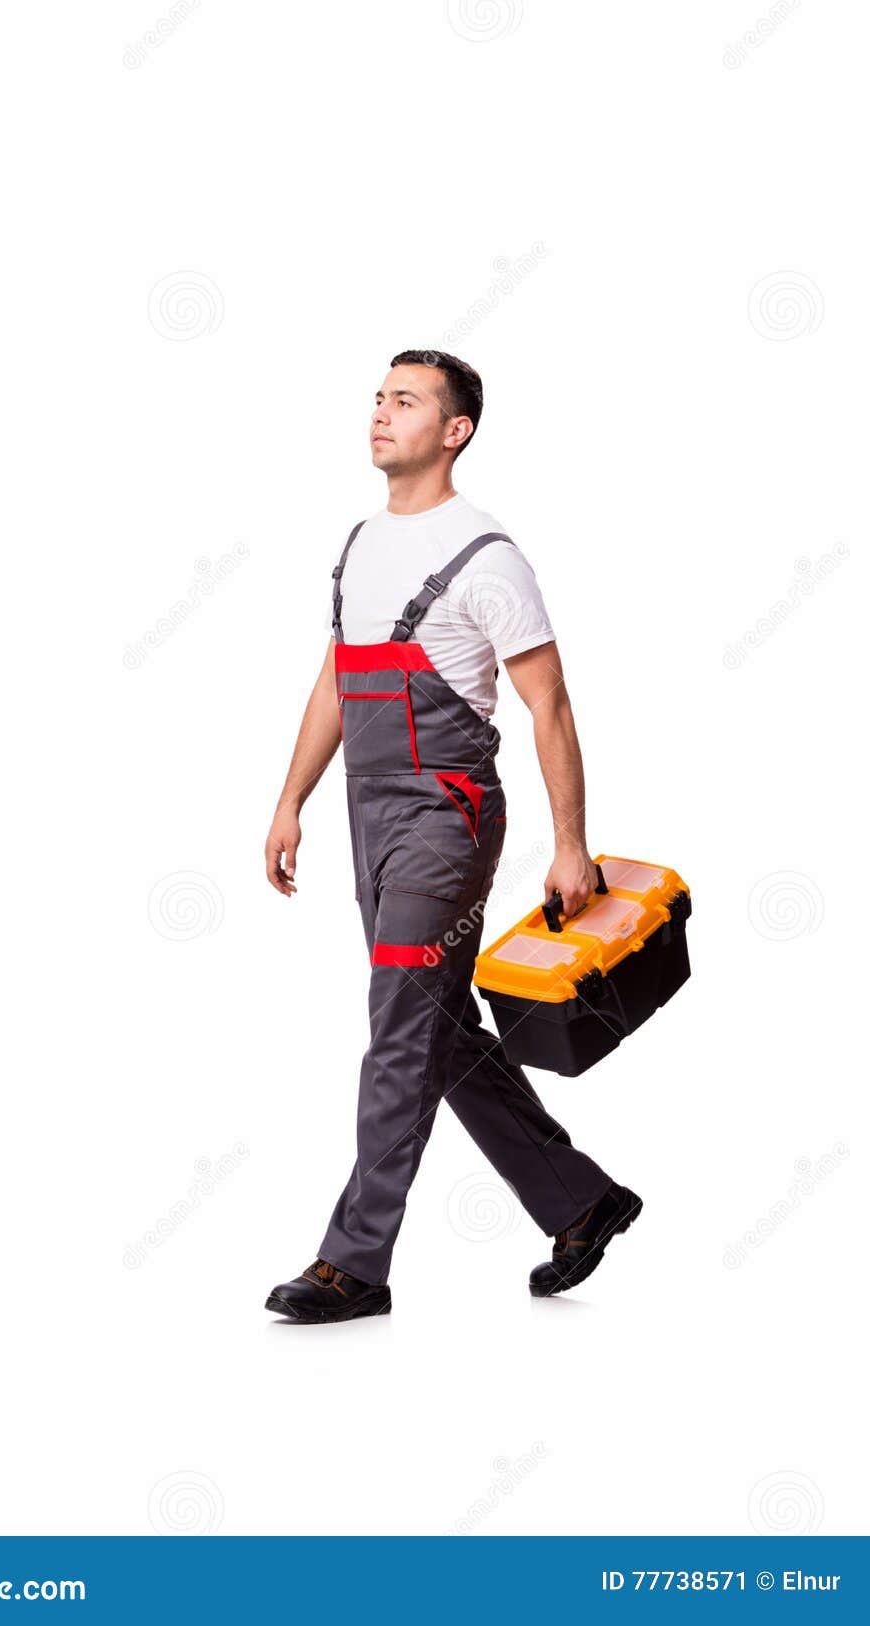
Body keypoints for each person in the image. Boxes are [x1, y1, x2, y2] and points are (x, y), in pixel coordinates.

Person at [263, 350, 641, 1323]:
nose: (380, 412)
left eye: (405, 399)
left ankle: (355, 1263)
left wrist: (572, 845)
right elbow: (335, 681)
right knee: (434, 1025)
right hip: (365, 809)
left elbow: (548, 703)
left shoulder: (488, 557)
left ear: (455, 429)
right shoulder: (359, 544)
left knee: (399, 1027)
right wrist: (290, 798)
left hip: (447, 814)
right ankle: (581, 1199)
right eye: (378, 396)